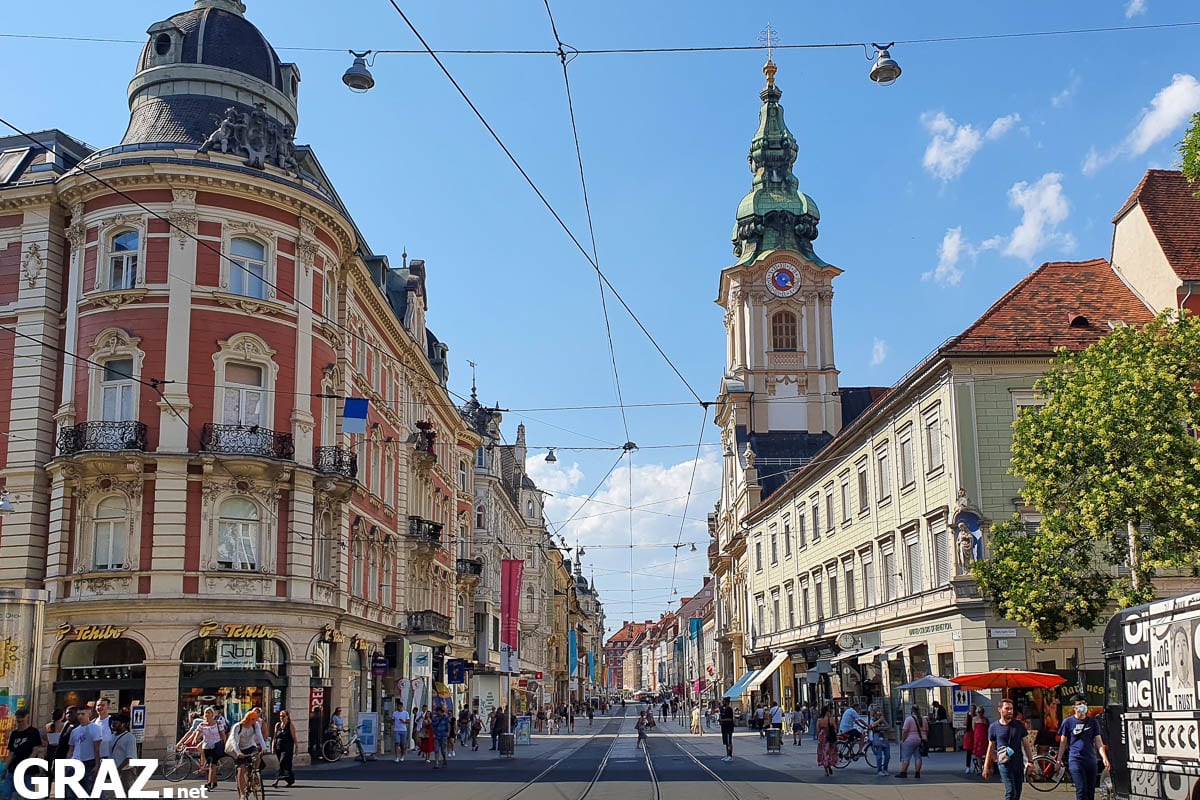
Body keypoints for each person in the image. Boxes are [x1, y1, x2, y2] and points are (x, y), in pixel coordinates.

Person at [1056, 695, 1110, 800]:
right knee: (1081, 790)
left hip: (1090, 760)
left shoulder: (1093, 722)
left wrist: (1104, 758)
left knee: (1090, 792)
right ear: (1074, 707)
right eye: (1079, 704)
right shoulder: (1068, 722)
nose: (1083, 706)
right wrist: (1059, 760)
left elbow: (1098, 741)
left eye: (1084, 703)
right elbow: (1063, 742)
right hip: (1075, 760)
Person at [983, 698, 1035, 800]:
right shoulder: (994, 727)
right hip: (1004, 763)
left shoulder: (1019, 725)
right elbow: (990, 747)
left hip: (1018, 763)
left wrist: (1030, 761)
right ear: (1000, 709)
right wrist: (986, 766)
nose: (1010, 711)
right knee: (1011, 791)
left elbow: (1026, 744)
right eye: (1007, 708)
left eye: (1011, 708)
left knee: (1017, 793)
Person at [228, 709, 268, 800]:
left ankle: (255, 775)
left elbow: (259, 736)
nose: (256, 721)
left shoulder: (255, 725)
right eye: (254, 719)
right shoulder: (238, 727)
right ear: (249, 719)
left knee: (257, 757)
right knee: (241, 769)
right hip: (239, 748)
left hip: (250, 746)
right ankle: (242, 793)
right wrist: (238, 752)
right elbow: (234, 741)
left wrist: (264, 747)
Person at [7, 709, 47, 797]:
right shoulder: (14, 734)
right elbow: (11, 753)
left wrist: (25, 764)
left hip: (28, 770)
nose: (19, 720)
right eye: (18, 718)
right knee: (8, 794)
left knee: (28, 794)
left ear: (27, 717)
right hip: (13, 767)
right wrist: (6, 768)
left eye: (22, 717)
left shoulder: (33, 732)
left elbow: (35, 750)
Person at [68, 707, 101, 795]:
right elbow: (71, 749)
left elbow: (97, 748)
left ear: (89, 714)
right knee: (70, 791)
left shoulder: (95, 728)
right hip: (75, 762)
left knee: (89, 790)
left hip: (89, 762)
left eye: (83, 714)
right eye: (78, 714)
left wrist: (97, 765)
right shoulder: (74, 731)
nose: (80, 716)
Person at [895, 705, 928, 779]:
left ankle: (903, 772)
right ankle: (917, 773)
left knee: (906, 757)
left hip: (910, 740)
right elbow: (926, 730)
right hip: (921, 740)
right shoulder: (924, 719)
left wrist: (903, 740)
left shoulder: (909, 719)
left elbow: (905, 731)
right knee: (918, 757)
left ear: (912, 711)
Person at [197, 708, 226, 791]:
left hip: (216, 745)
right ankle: (215, 782)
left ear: (212, 714)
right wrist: (195, 739)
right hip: (206, 746)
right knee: (209, 765)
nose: (207, 714)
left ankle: (209, 783)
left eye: (209, 712)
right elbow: (198, 733)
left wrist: (225, 744)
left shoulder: (218, 723)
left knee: (212, 765)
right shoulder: (202, 724)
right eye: (206, 712)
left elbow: (222, 734)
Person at [108, 714, 137, 793]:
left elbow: (130, 757)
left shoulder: (129, 737)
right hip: (115, 770)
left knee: (128, 793)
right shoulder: (112, 736)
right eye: (112, 723)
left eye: (116, 723)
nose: (113, 725)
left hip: (126, 771)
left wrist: (118, 769)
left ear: (123, 724)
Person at [272, 710, 297, 788]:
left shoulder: (290, 725)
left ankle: (277, 780)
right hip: (279, 747)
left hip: (287, 747)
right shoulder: (278, 725)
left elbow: (294, 737)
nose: (281, 718)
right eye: (280, 716)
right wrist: (273, 746)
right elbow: (275, 737)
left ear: (287, 717)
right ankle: (290, 780)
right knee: (286, 764)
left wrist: (296, 747)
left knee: (282, 762)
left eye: (283, 716)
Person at [869, 706, 891, 777]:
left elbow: (888, 726)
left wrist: (882, 723)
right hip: (877, 739)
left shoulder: (883, 720)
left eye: (880, 712)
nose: (879, 713)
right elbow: (872, 726)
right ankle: (879, 770)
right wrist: (880, 722)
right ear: (875, 713)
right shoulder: (872, 719)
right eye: (878, 712)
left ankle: (885, 769)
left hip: (885, 739)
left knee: (887, 756)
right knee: (879, 756)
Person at [817, 705, 838, 776]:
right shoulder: (831, 719)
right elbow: (835, 728)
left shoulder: (819, 719)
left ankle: (826, 770)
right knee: (830, 752)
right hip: (830, 736)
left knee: (823, 752)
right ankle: (829, 765)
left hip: (822, 736)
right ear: (827, 712)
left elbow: (818, 729)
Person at [972, 707, 991, 773]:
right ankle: (986, 768)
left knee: (979, 755)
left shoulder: (974, 719)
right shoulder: (985, 719)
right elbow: (988, 727)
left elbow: (973, 728)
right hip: (984, 737)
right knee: (985, 753)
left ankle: (981, 769)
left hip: (978, 737)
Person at [963, 705, 977, 773]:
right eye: (971, 709)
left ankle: (979, 765)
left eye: (973, 709)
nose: (972, 710)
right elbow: (965, 723)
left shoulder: (976, 716)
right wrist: (967, 716)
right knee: (969, 751)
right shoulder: (967, 716)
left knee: (977, 751)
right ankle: (968, 767)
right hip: (969, 734)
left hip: (975, 734)